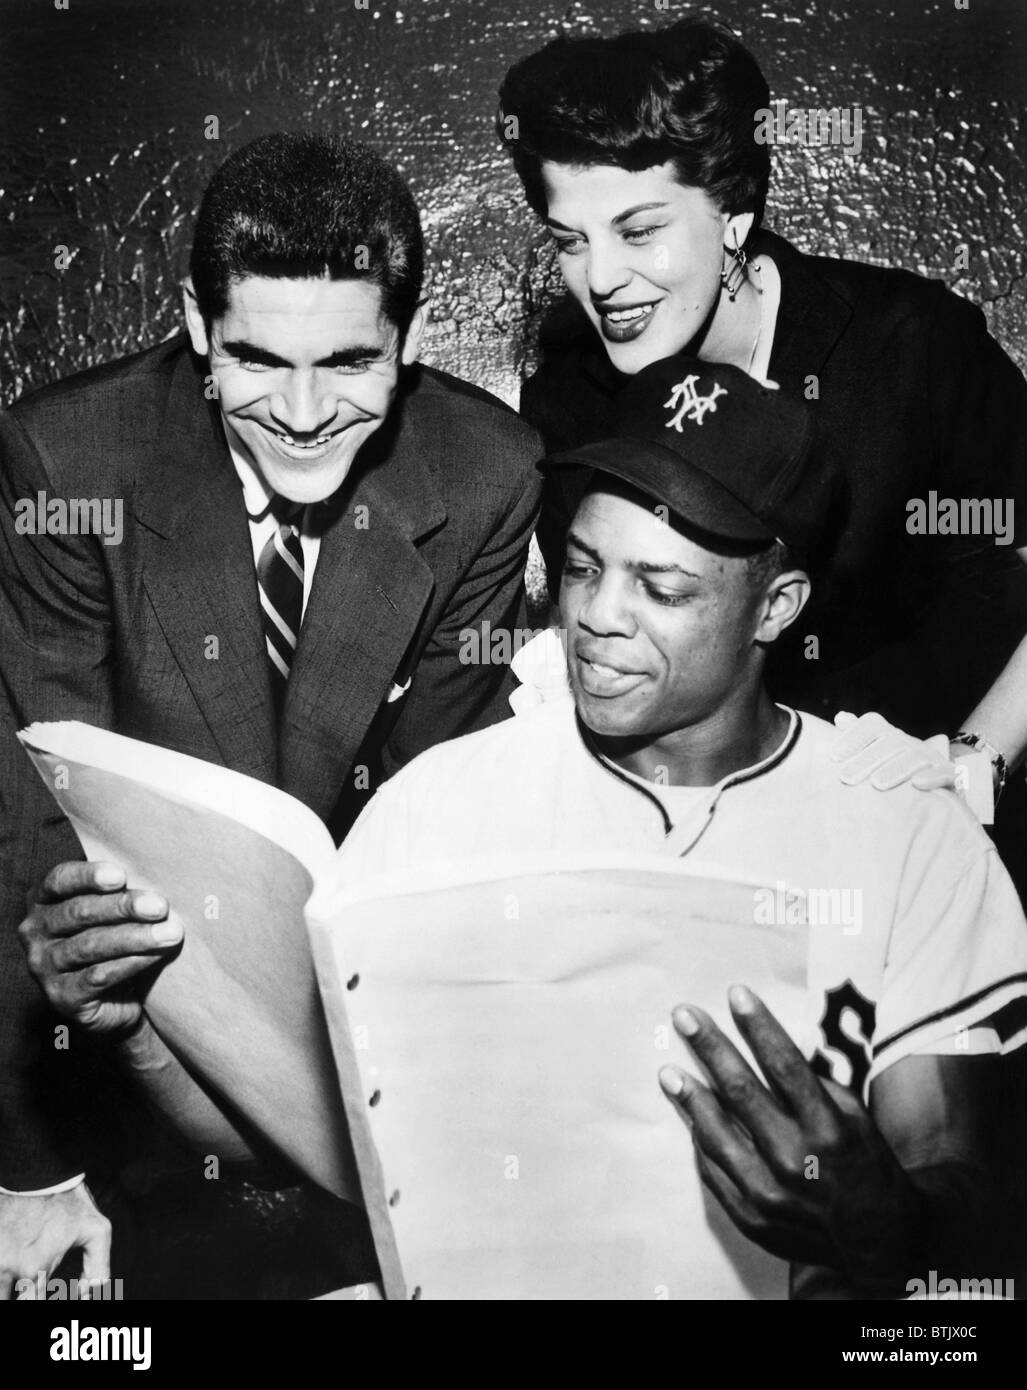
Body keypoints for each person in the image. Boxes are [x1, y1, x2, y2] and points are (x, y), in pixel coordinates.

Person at [31, 359, 1027, 1298]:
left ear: (777, 608)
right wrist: (132, 1026)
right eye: (585, 568)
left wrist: (887, 1223)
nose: (599, 615)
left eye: (663, 588)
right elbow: (320, 1146)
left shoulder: (898, 824)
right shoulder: (440, 806)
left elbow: (959, 1180)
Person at [0, 131, 542, 1298]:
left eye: (350, 363)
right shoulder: (66, 459)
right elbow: (38, 812)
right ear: (196, 329)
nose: (302, 414)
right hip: (116, 1038)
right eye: (254, 360)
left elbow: (435, 802)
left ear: (413, 341)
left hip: (364, 1033)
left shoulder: (486, 470)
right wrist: (33, 1172)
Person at [496, 16, 1027, 888]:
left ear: (734, 215)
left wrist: (977, 763)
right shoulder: (570, 388)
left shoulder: (909, 343)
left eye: (638, 231)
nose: (598, 279)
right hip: (724, 843)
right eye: (569, 240)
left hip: (937, 826)